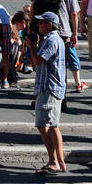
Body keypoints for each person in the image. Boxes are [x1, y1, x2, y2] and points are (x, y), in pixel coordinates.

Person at [32, 0, 82, 104]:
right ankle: (61, 97)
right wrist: (75, 33)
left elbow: (34, 5)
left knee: (42, 63)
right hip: (64, 31)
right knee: (61, 66)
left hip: (45, 29)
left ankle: (40, 96)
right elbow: (74, 13)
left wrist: (32, 25)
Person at [32, 11, 67, 175]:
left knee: (50, 125)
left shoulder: (52, 40)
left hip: (49, 87)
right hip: (47, 86)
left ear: (49, 24)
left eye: (41, 22)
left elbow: (38, 61)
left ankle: (56, 161)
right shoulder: (52, 40)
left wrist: (31, 46)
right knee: (44, 125)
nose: (38, 25)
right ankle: (57, 160)